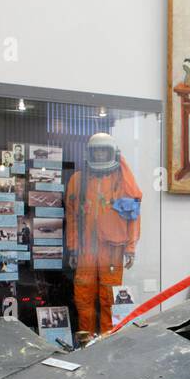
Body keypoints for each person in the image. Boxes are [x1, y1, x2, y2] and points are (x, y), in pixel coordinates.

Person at [65, 133, 141, 337]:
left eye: (103, 150)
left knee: (110, 296)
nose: (99, 154)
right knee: (83, 295)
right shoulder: (77, 181)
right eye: (95, 150)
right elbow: (72, 217)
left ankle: (109, 338)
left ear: (112, 153)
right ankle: (85, 338)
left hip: (112, 249)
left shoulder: (123, 181)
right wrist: (73, 248)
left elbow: (133, 216)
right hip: (86, 248)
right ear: (89, 153)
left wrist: (131, 248)